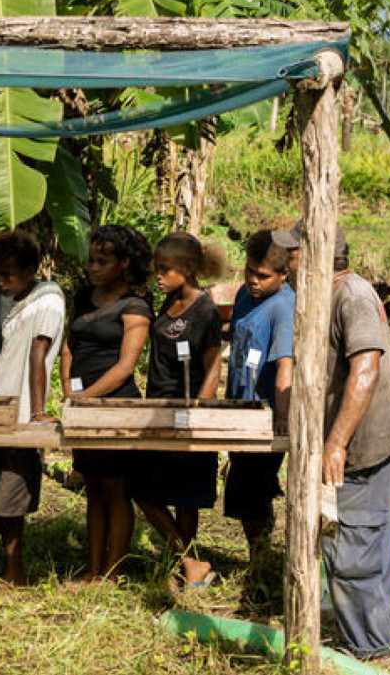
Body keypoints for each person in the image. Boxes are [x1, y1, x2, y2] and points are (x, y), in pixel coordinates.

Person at [275, 222, 390, 661]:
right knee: (373, 546)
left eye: (293, 255)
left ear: (318, 256)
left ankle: (370, 652)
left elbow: (365, 371)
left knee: (351, 552)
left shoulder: (351, 297)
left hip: (369, 450)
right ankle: (388, 635)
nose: (288, 264)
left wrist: (336, 443)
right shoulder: (324, 296)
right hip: (375, 445)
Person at [60, 224, 153, 582]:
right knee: (93, 486)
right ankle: (94, 566)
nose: (93, 268)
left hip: (116, 406)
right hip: (81, 405)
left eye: (103, 261)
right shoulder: (84, 297)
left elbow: (126, 366)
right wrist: (69, 389)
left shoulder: (135, 305)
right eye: (91, 261)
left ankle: (113, 569)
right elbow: (70, 345)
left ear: (124, 264)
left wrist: (85, 397)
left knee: (115, 487)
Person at [0, 229, 65, 586]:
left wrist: (37, 411)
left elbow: (38, 352)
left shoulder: (49, 298)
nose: (1, 281)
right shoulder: (9, 298)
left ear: (30, 271)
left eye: (8, 274)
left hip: (24, 410)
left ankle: (7, 560)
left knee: (13, 492)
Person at [134, 232, 226, 588]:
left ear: (188, 270)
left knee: (187, 498)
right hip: (158, 408)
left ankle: (187, 567)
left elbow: (213, 366)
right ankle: (190, 561)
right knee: (144, 491)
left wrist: (198, 415)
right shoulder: (167, 300)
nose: (158, 276)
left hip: (189, 412)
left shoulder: (204, 309)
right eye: (157, 268)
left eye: (165, 269)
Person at [223, 230, 295, 583]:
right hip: (240, 407)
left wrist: (281, 417)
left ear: (284, 275)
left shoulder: (283, 306)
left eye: (263, 276)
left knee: (252, 488)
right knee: (247, 487)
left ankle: (262, 561)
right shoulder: (243, 295)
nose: (253, 280)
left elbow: (284, 363)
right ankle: (261, 558)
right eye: (249, 271)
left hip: (264, 413)